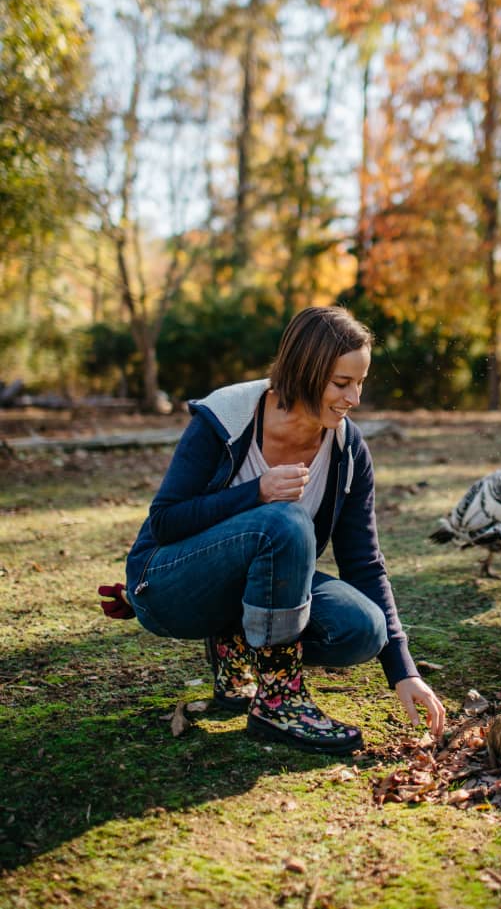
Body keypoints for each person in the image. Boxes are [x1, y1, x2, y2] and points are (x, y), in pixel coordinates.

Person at [122, 305, 445, 755]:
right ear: (305, 371)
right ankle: (279, 700)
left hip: (257, 591)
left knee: (363, 628)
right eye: (342, 383)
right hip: (166, 585)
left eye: (360, 383)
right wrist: (256, 492)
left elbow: (363, 561)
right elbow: (165, 520)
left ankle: (236, 645)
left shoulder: (348, 450)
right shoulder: (227, 417)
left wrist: (403, 670)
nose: (354, 398)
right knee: (284, 521)